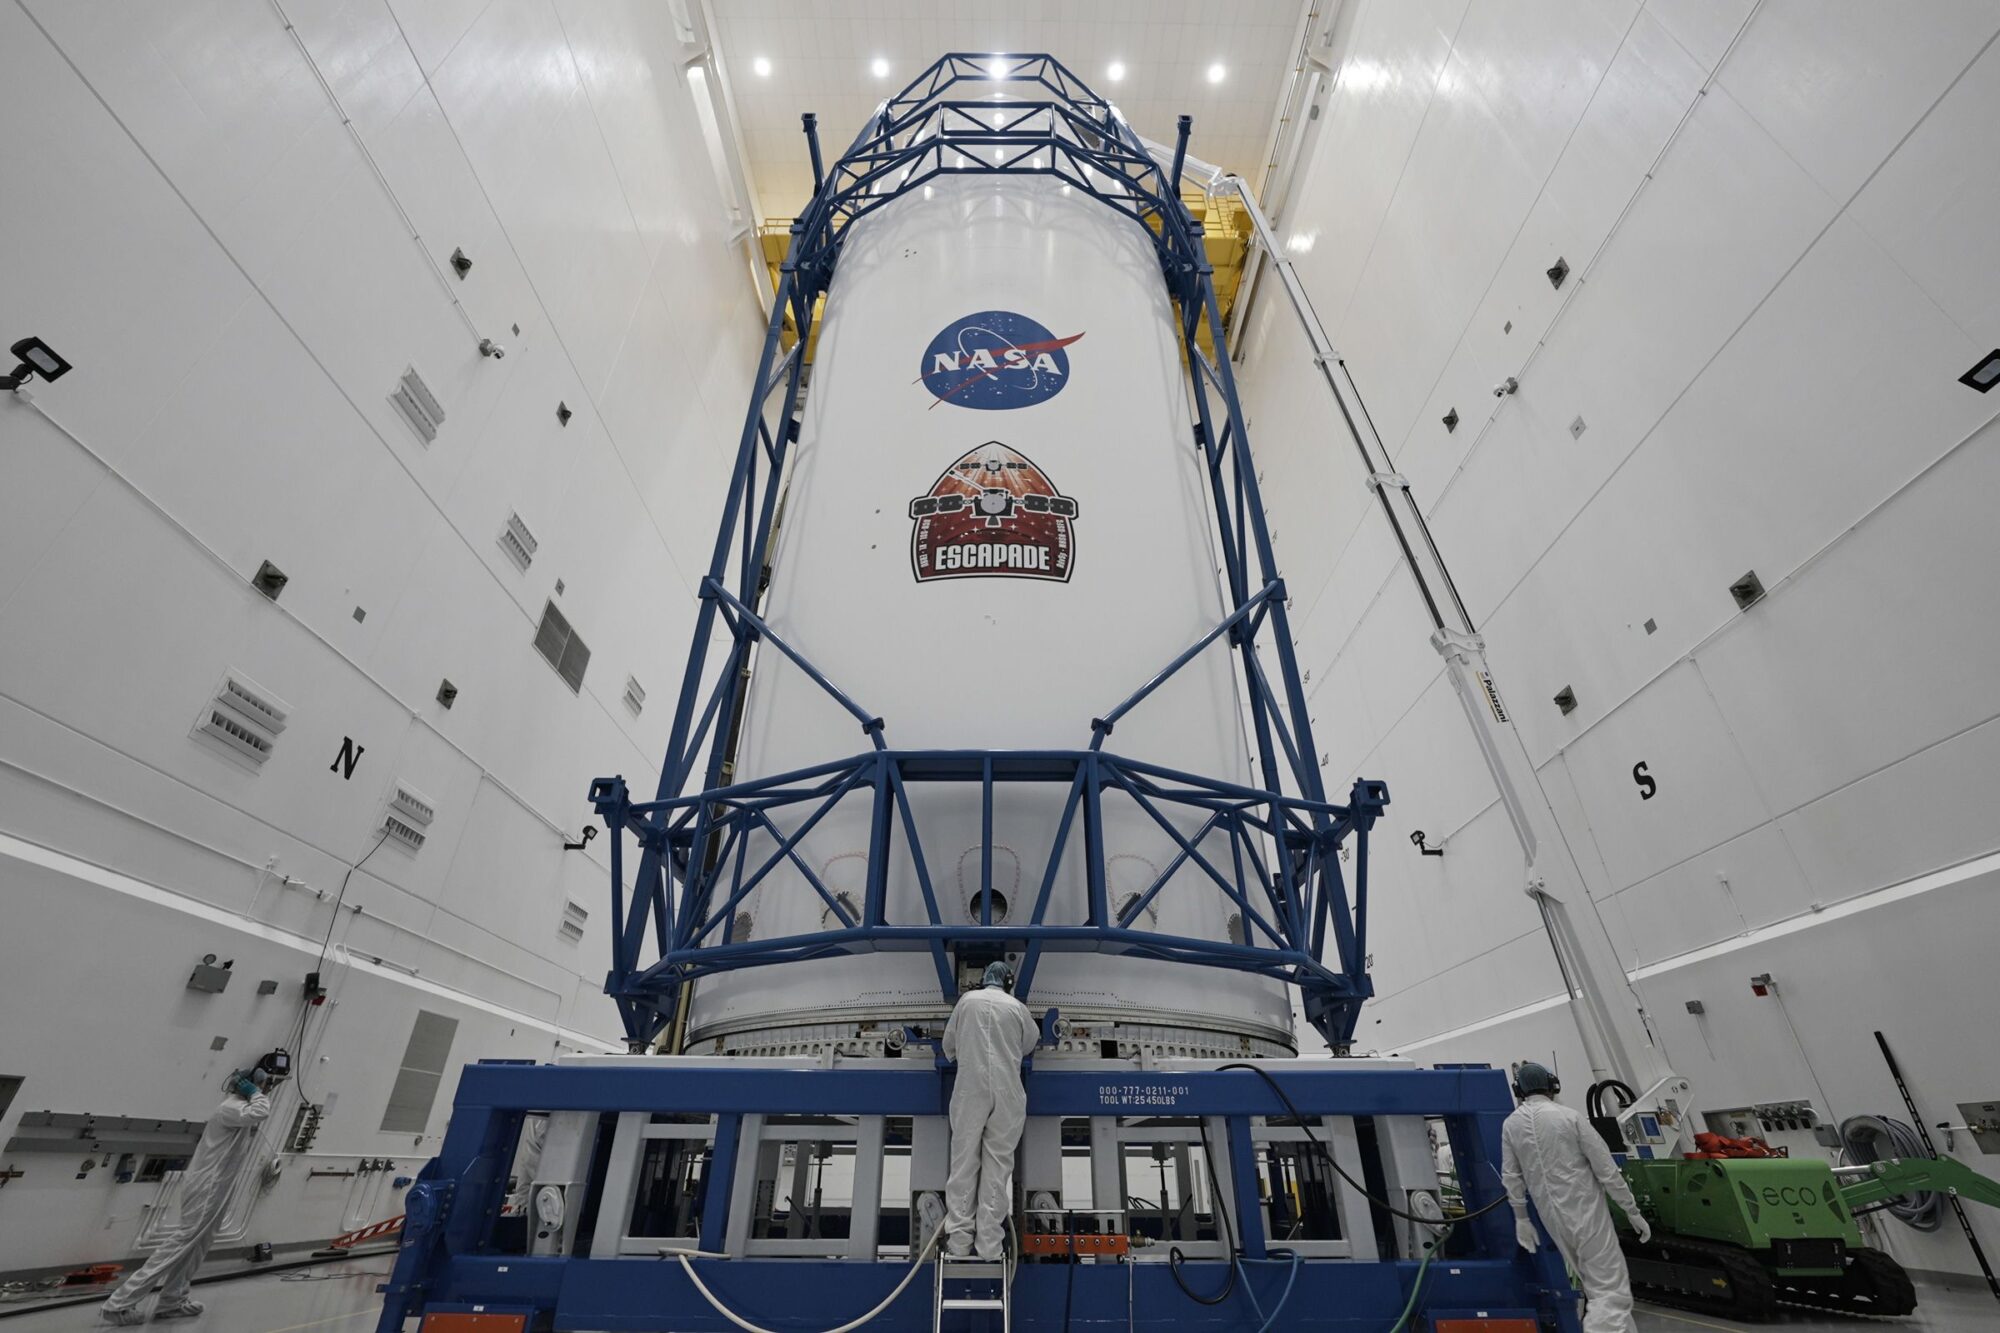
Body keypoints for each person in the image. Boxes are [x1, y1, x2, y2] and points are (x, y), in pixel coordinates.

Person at [100, 1053, 284, 1324]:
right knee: (183, 1240)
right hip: (208, 1185)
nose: (266, 1091)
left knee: (199, 1244)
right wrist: (255, 1092)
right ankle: (118, 1304)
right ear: (250, 1086)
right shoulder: (231, 1108)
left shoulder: (239, 1110)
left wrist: (255, 1092)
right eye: (264, 1085)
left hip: (219, 1185)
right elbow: (261, 1111)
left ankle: (172, 1300)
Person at [1501, 1061, 1651, 1333]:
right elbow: (1606, 1170)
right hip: (1586, 1212)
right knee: (1609, 1292)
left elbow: (1511, 1176)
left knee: (1594, 1287)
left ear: (1518, 1090)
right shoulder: (1569, 1117)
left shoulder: (1511, 1125)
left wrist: (1521, 1218)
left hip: (1551, 1217)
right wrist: (1631, 1209)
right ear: (1552, 1086)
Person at [941, 962, 1039, 1260]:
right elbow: (1029, 1043)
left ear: (984, 979)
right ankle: (989, 1247)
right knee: (998, 1166)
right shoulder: (1017, 1008)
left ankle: (959, 1243)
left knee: (963, 1163)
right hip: (1007, 1091)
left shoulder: (966, 1002)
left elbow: (949, 1045)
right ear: (1009, 982)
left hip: (970, 1089)